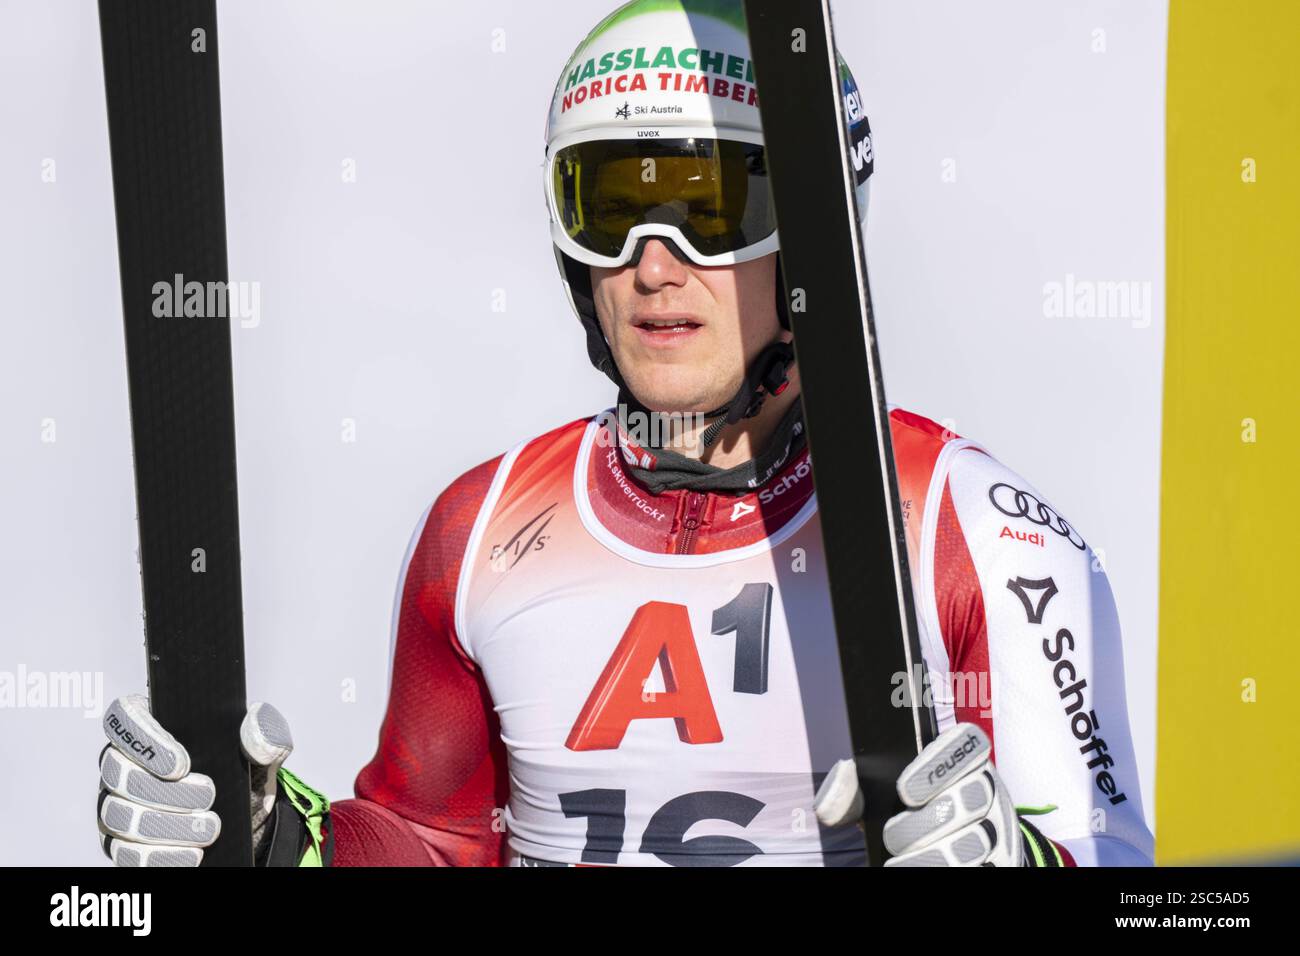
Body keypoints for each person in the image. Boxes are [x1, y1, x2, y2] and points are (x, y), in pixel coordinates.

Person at [97, 0, 1154, 867]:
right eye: (611, 204)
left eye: (711, 202)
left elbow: (1117, 869)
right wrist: (268, 837)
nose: (656, 261)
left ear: (816, 229)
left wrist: (1014, 860)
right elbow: (433, 846)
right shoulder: (486, 529)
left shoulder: (972, 531)